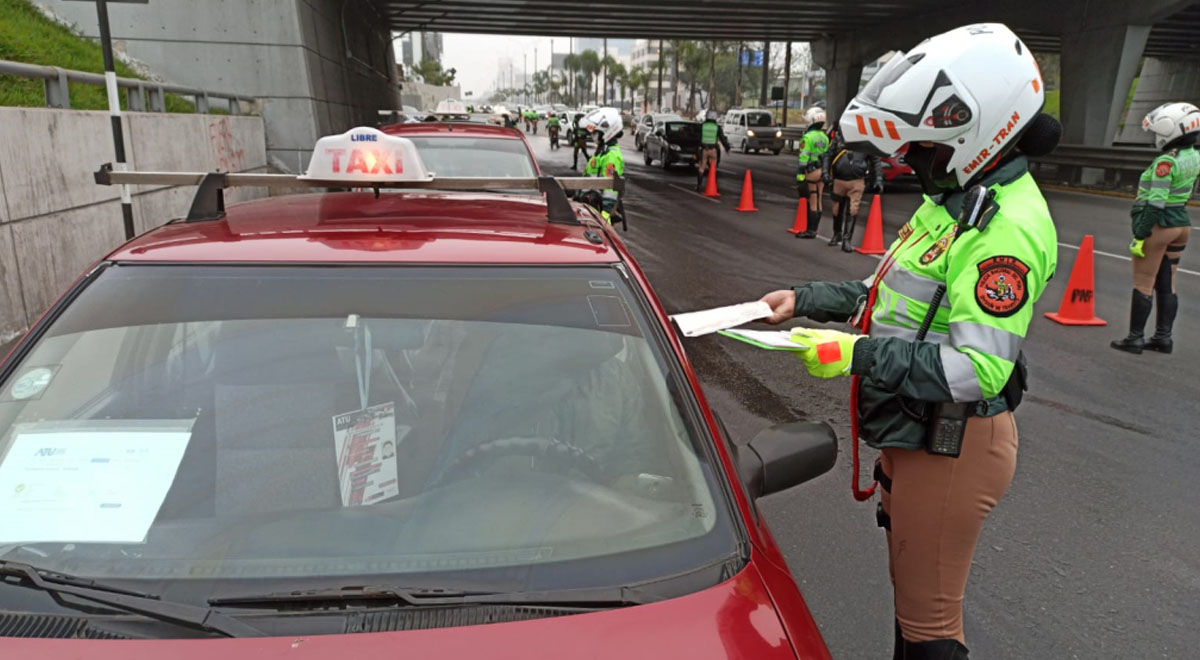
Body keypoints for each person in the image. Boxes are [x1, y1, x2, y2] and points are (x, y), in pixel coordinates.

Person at [757, 23, 1058, 659]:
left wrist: (854, 355)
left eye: (926, 148)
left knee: (929, 630)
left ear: (978, 135)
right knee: (911, 604)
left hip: (953, 440)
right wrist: (804, 300)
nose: (912, 161)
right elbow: (882, 291)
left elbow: (981, 370)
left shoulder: (1004, 227)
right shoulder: (953, 198)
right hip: (915, 429)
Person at [1111, 102, 1200, 354]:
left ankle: (1135, 338)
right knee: (1168, 282)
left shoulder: (1166, 163)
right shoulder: (1194, 156)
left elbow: (1155, 203)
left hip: (1161, 224)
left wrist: (1140, 231)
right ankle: (1163, 337)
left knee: (1143, 281)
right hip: (1182, 223)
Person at [823, 127, 884, 251]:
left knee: (852, 209)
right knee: (836, 209)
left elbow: (875, 160)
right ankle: (837, 234)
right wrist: (825, 172)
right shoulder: (839, 137)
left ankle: (847, 239)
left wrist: (878, 179)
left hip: (856, 181)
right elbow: (828, 155)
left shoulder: (867, 140)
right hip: (838, 180)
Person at [581, 107, 625, 224]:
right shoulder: (601, 152)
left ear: (607, 132)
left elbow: (610, 189)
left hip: (599, 213)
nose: (592, 135)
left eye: (595, 132)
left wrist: (604, 217)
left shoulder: (611, 156)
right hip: (589, 208)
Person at [795, 113, 831, 238]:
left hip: (811, 172)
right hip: (822, 170)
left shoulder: (807, 137)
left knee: (813, 200)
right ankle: (814, 230)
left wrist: (800, 177)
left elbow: (803, 159)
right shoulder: (824, 137)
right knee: (819, 198)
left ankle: (810, 231)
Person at [696, 109, 731, 191]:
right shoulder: (717, 127)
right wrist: (727, 148)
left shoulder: (702, 126)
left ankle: (699, 185)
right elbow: (722, 139)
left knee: (702, 167)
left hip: (704, 149)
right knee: (712, 168)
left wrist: (698, 147)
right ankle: (712, 186)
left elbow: (698, 138)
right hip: (713, 150)